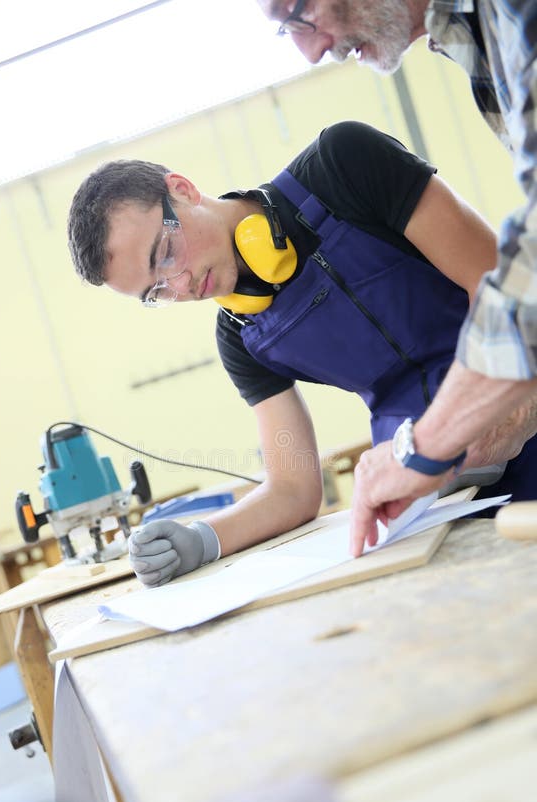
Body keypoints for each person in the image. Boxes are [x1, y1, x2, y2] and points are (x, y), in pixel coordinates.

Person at [67, 120, 535, 587]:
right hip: (435, 500)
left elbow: (506, 295)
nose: (182, 285)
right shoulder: (241, 337)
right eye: (157, 292)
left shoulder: (343, 165)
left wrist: (477, 430)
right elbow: (293, 487)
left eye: (166, 254)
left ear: (183, 190)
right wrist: (202, 539)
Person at [257, 0, 537, 556]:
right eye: (154, 294)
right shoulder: (472, 34)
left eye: (298, 13)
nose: (311, 51)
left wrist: (426, 446)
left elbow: (522, 275)